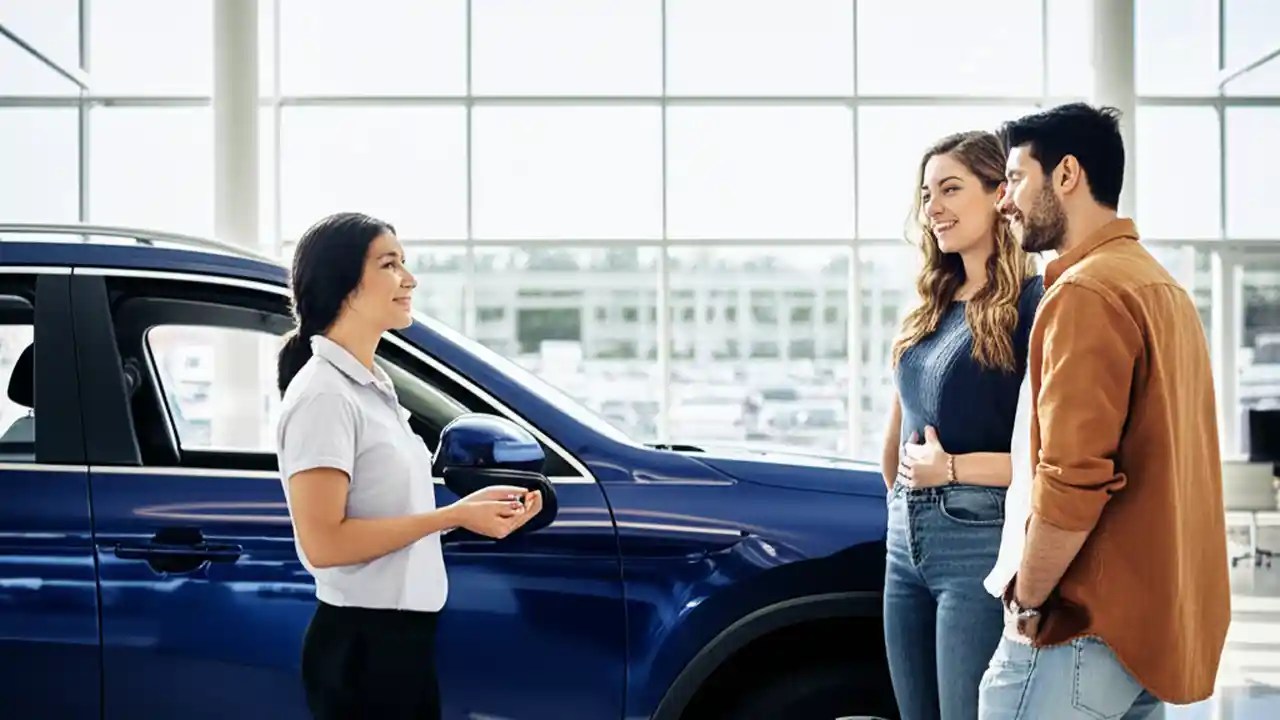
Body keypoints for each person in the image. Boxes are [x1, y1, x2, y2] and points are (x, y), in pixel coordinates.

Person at [980, 103, 1230, 719]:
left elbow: (1073, 479)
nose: (1003, 201)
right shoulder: (1158, 286)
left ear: (1066, 175)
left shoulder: (1086, 293)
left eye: (1014, 179)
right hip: (1145, 630)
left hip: (1080, 626)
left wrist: (1029, 601)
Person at [275, 211, 543, 719]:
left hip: (401, 644)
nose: (409, 279)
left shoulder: (372, 386)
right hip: (363, 647)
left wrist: (468, 512)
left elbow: (384, 514)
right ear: (345, 285)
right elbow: (325, 542)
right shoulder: (323, 396)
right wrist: (451, 517)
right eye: (390, 264)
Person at [882, 130, 1044, 720]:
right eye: (927, 195)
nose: (934, 209)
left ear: (1000, 194)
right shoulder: (931, 303)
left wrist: (949, 469)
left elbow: (1044, 456)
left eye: (951, 189)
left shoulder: (1036, 303)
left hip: (977, 539)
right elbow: (901, 422)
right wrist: (898, 501)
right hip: (905, 542)